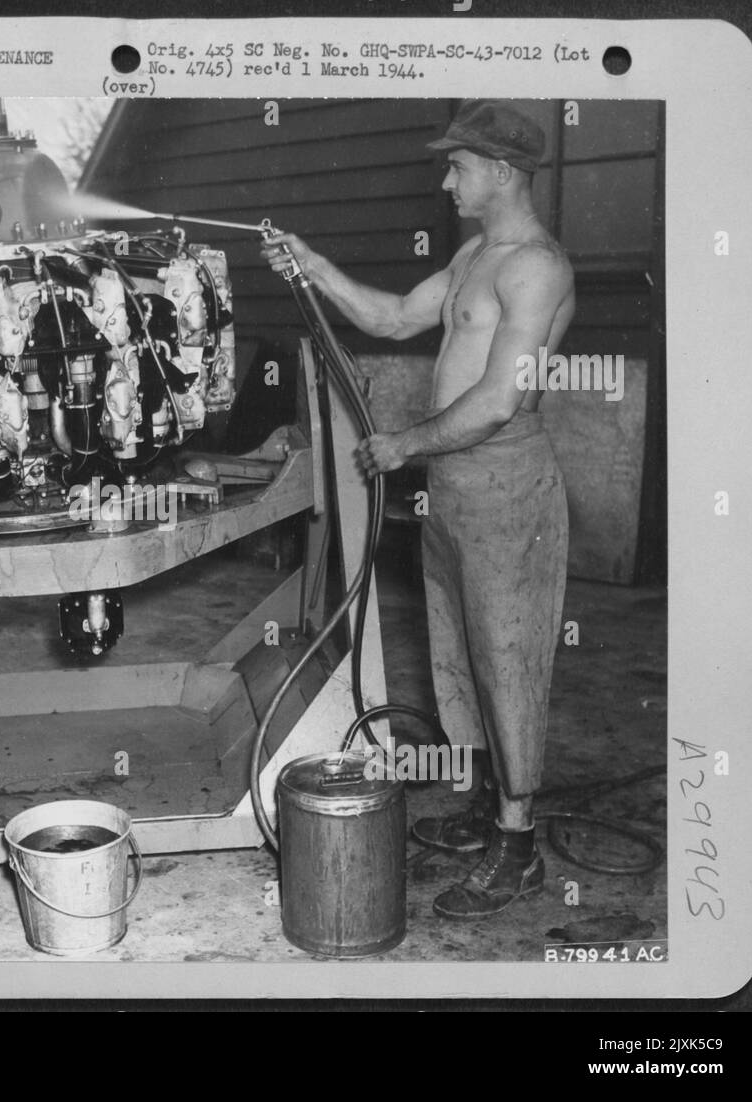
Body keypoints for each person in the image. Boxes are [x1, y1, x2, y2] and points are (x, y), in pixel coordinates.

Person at [262, 100, 574, 920]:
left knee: (509, 660)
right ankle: (486, 809)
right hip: (457, 487)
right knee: (456, 656)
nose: (447, 180)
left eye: (458, 166)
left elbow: (503, 399)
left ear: (501, 171)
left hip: (507, 486)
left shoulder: (535, 268)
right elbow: (393, 317)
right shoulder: (476, 254)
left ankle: (520, 844)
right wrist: (310, 264)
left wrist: (405, 443)